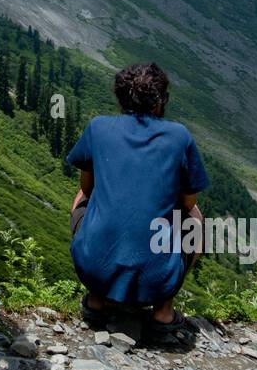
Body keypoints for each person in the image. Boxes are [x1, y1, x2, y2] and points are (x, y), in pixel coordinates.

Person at [65, 61, 209, 345]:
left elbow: (86, 188)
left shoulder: (98, 127)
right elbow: (188, 200)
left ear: (120, 96)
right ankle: (163, 312)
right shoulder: (179, 136)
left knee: (81, 199)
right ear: (161, 100)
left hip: (93, 267)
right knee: (195, 217)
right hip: (158, 276)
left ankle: (96, 300)